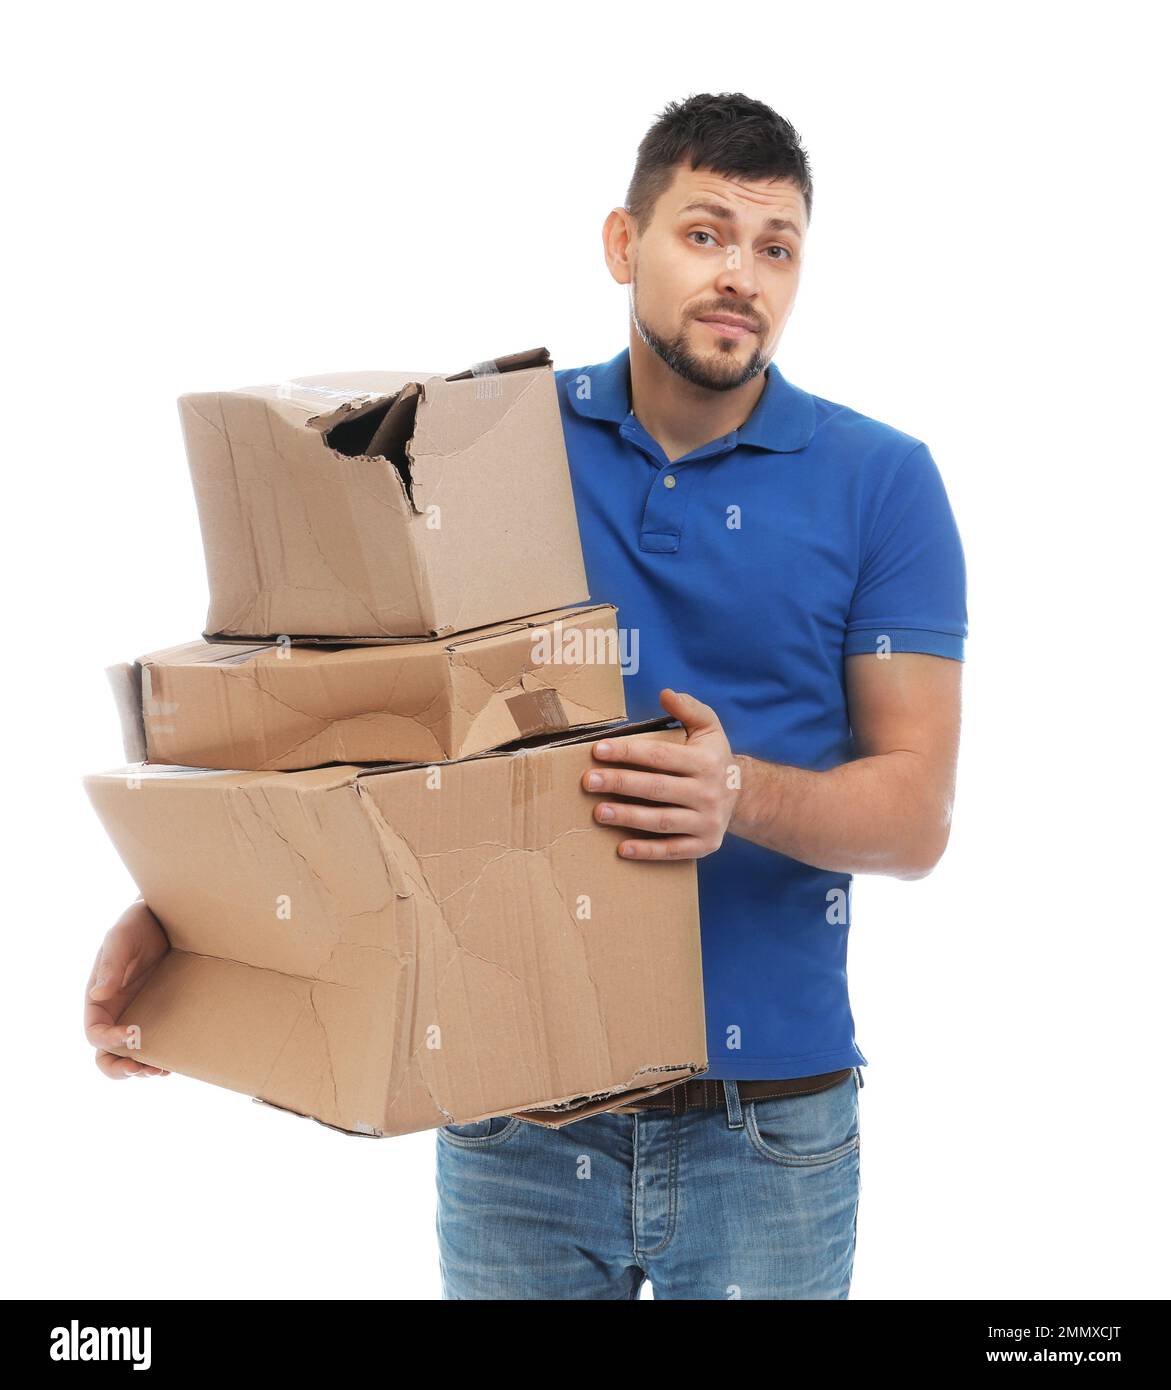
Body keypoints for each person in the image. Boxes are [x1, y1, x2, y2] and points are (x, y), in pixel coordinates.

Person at [86, 91, 966, 1301]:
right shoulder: (490, 449)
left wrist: (739, 793)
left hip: (768, 1129)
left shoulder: (883, 482)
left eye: (776, 249)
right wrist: (195, 920)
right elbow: (344, 708)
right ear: (623, 242)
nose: (741, 277)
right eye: (704, 233)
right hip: (515, 1115)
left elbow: (915, 815)